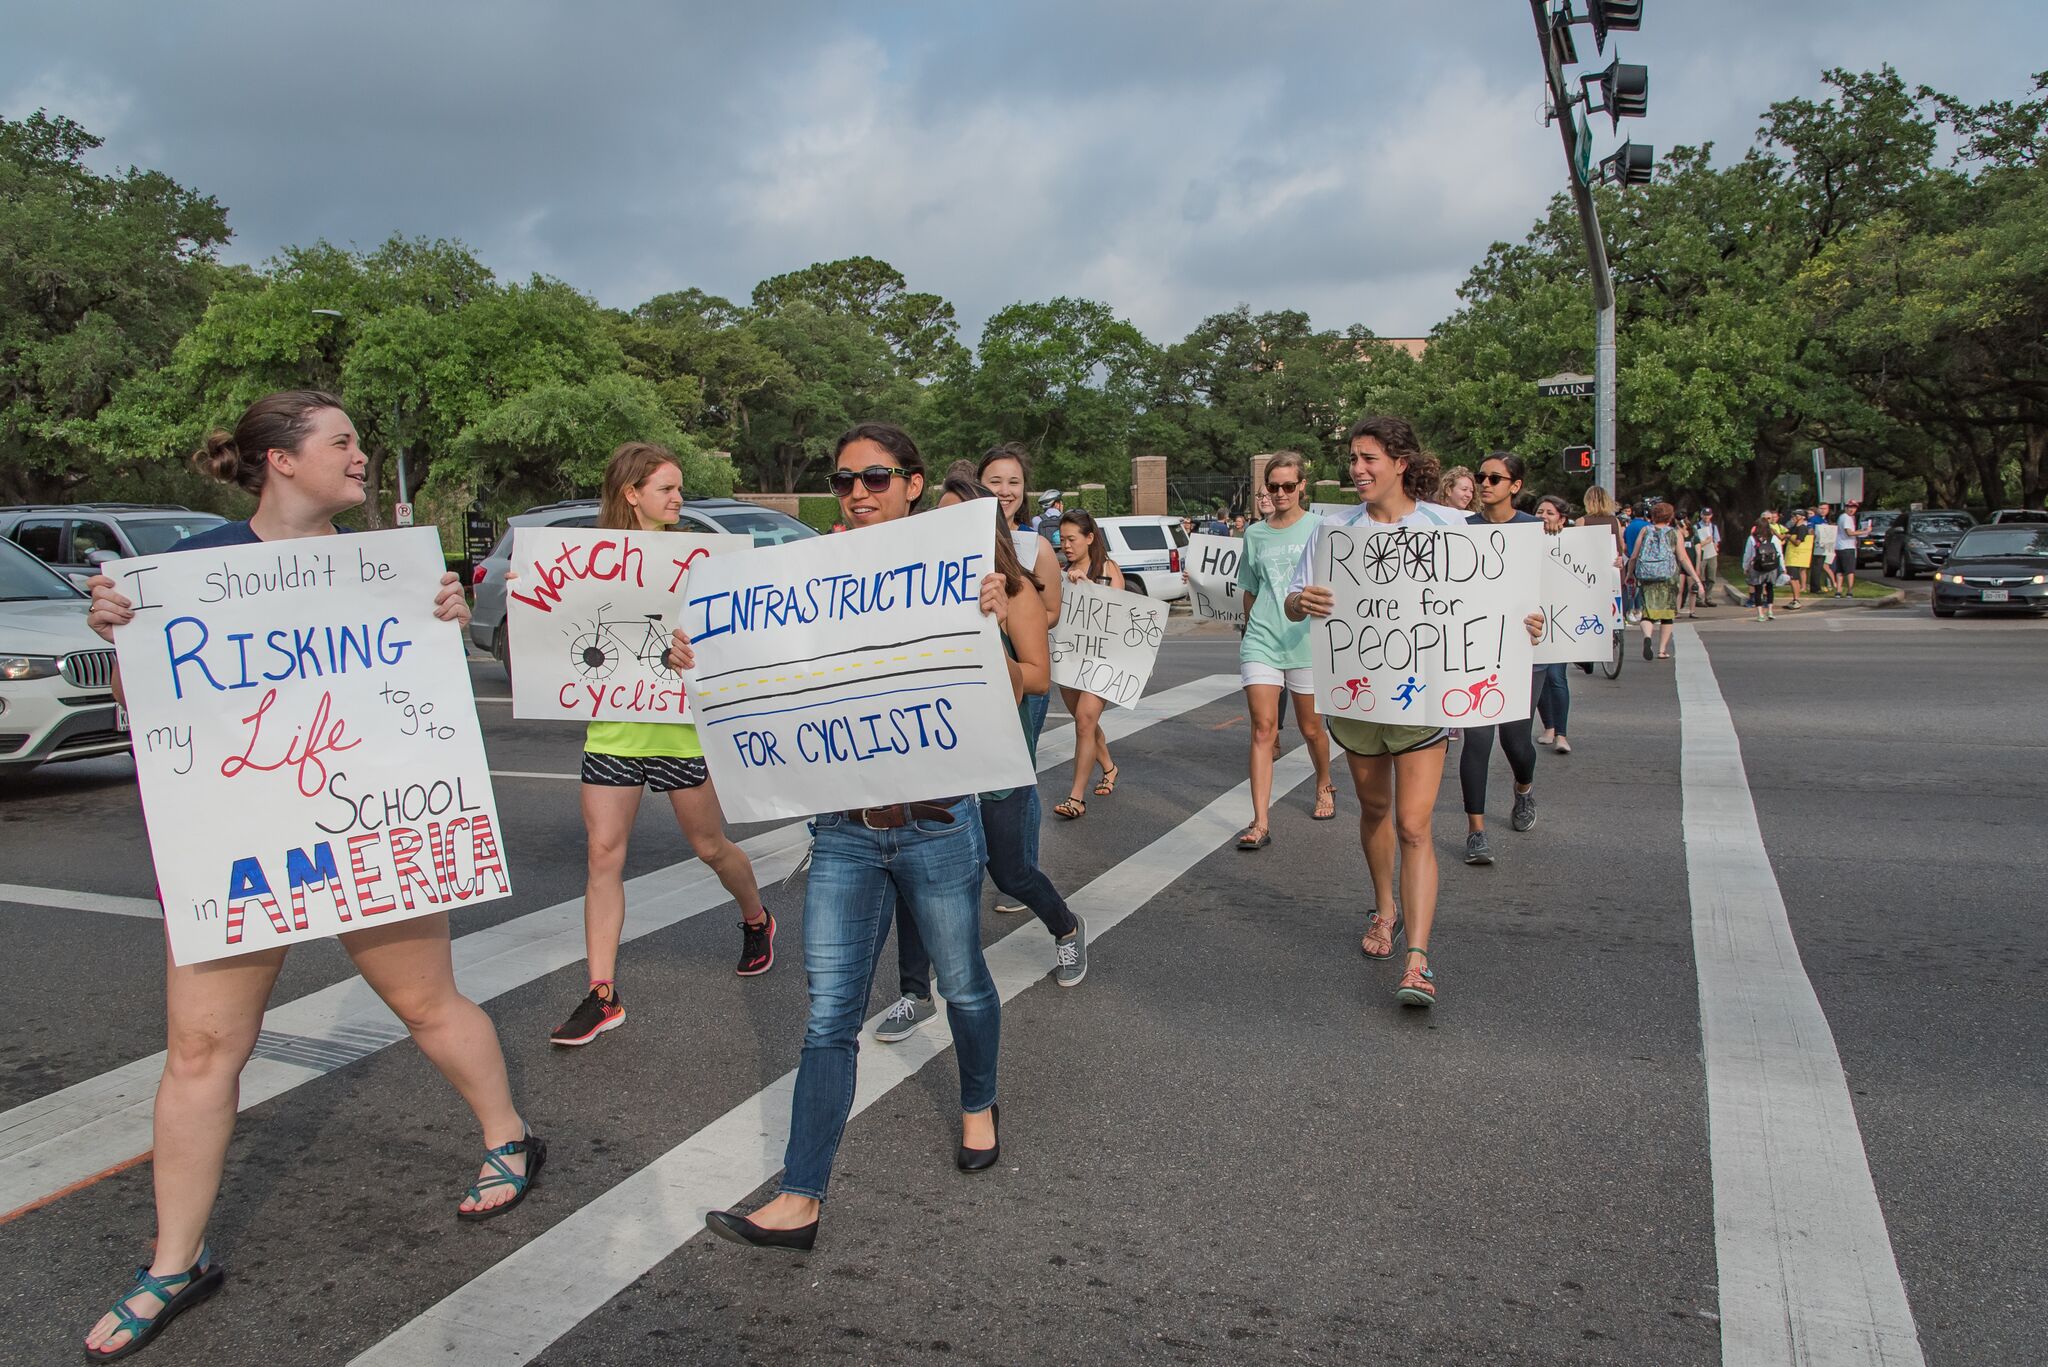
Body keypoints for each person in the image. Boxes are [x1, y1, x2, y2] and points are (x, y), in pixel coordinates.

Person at [81, 392, 544, 1360]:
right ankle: (174, 1259)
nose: (363, 456)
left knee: (426, 1004)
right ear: (281, 460)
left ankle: (508, 1133)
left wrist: (441, 622)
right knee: (202, 1049)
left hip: (361, 830)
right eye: (344, 442)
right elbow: (145, 702)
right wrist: (121, 630)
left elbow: (418, 700)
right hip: (244, 843)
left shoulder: (383, 569)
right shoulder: (186, 570)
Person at [693, 422, 1003, 1253]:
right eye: (843, 480)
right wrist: (705, 648)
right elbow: (759, 663)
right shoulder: (802, 576)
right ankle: (800, 1196)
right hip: (845, 831)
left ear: (913, 482)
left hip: (938, 824)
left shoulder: (961, 570)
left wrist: (994, 620)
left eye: (874, 477)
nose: (857, 492)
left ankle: (979, 1100)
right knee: (829, 1014)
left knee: (965, 982)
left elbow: (1004, 685)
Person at [1283, 416, 1545, 1009]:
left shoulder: (1451, 525)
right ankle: (1385, 908)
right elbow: (1294, 604)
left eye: (1369, 458)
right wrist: (1304, 599)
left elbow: (1501, 597)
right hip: (1357, 698)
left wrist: (1529, 621)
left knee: (1414, 824)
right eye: (1353, 458)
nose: (1358, 469)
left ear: (1401, 463)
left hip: (1423, 699)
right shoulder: (1332, 529)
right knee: (1374, 809)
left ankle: (1419, 958)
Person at [549, 443, 775, 1049]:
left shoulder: (701, 561)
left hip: (678, 728)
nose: (678, 499)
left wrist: (694, 652)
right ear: (631, 494)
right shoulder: (588, 559)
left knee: (708, 845)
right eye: (666, 489)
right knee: (603, 855)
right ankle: (602, 993)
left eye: (679, 489)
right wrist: (528, 598)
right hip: (614, 731)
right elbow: (557, 623)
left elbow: (731, 637)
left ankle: (757, 918)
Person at [877, 474, 1086, 1046]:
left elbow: (1039, 679)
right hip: (932, 760)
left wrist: (989, 643)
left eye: (958, 518)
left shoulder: (1016, 591)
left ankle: (1066, 928)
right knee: (918, 875)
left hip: (997, 755)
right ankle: (915, 994)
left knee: (1011, 871)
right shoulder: (911, 588)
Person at [975, 442, 1063, 919]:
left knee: (1017, 776)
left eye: (1014, 481)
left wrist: (1011, 619)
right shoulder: (959, 540)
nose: (1005, 490)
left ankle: (1019, 871)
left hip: (1018, 669)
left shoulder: (1036, 546)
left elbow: (1050, 613)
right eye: (995, 480)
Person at [1232, 451, 1335, 851]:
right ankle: (1260, 821)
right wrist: (1246, 633)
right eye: (1273, 487)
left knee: (1311, 729)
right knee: (1263, 729)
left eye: (1288, 486)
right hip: (1262, 639)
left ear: (1302, 486)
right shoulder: (1255, 534)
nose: (1279, 493)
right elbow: (1251, 589)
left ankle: (1324, 782)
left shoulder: (1321, 528)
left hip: (1308, 642)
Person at [1458, 453, 1542, 865]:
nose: (1484, 483)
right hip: (1477, 650)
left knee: (1516, 741)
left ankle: (1523, 788)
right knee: (1476, 738)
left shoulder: (1534, 530)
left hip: (1527, 653)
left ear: (1515, 486)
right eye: (1481, 476)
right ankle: (1476, 831)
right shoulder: (1463, 530)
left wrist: (1545, 620)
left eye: (1495, 477)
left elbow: (1558, 590)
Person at [1051, 509, 1123, 819]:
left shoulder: (1107, 568)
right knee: (1087, 725)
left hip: (1102, 660)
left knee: (1084, 721)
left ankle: (1076, 798)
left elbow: (1118, 613)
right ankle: (1109, 767)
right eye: (1062, 539)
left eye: (1072, 539)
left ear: (1089, 538)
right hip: (1069, 659)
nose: (1066, 545)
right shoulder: (1059, 571)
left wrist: (1089, 587)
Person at [1628, 501, 1706, 659]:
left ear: (1653, 516)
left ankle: (1647, 637)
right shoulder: (1674, 533)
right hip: (1668, 577)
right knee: (1667, 615)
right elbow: (1683, 558)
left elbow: (1634, 555)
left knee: (1647, 613)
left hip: (1647, 575)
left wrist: (1630, 574)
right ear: (1670, 517)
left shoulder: (1645, 530)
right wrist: (1697, 579)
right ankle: (1662, 650)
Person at [1534, 495, 1577, 750]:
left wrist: (1613, 564)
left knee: (1556, 676)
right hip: (1534, 618)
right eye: (1540, 511)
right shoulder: (1525, 538)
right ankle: (1549, 726)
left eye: (1550, 512)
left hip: (1560, 617)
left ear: (1562, 518)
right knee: (1538, 675)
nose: (1543, 516)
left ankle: (1562, 733)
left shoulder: (1574, 542)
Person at [1743, 515, 1784, 621]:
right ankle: (1770, 610)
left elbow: (1748, 554)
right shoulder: (1774, 538)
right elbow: (1779, 553)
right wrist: (1782, 567)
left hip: (1757, 566)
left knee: (1758, 589)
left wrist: (1745, 566)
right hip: (1772, 567)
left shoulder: (1752, 538)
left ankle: (1760, 613)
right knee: (1770, 588)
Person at [1691, 507, 1722, 614]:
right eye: (1704, 515)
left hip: (1712, 553)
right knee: (1700, 577)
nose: (1706, 517)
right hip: (1702, 553)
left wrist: (1716, 545)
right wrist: (1706, 541)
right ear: (1701, 515)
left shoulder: (1713, 527)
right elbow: (1695, 542)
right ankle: (1699, 599)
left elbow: (1716, 540)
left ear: (1711, 515)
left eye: (1708, 515)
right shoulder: (1696, 527)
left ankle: (1708, 597)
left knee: (1711, 576)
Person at [1834, 502, 1869, 595]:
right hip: (1847, 547)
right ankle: (1849, 591)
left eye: (1854, 507)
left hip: (1840, 546)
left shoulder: (1843, 517)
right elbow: (1849, 533)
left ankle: (1838, 591)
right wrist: (1864, 531)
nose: (1852, 509)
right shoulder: (1846, 518)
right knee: (1850, 571)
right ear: (1846, 508)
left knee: (1840, 570)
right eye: (1850, 507)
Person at [1779, 510, 1812, 609]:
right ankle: (1795, 599)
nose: (1793, 518)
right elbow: (1782, 536)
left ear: (1802, 517)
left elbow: (1798, 542)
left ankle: (1796, 600)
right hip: (1792, 557)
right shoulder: (1794, 527)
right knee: (1794, 579)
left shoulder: (1802, 528)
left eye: (1795, 516)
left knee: (1794, 580)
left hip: (1796, 558)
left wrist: (1789, 537)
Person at [1810, 502, 1839, 595]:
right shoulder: (1814, 519)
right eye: (1821, 508)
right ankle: (1815, 588)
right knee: (1817, 567)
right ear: (1818, 509)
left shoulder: (1826, 520)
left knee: (1821, 566)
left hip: (1825, 546)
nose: (1822, 510)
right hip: (1817, 546)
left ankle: (1818, 586)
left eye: (1825, 509)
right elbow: (1810, 531)